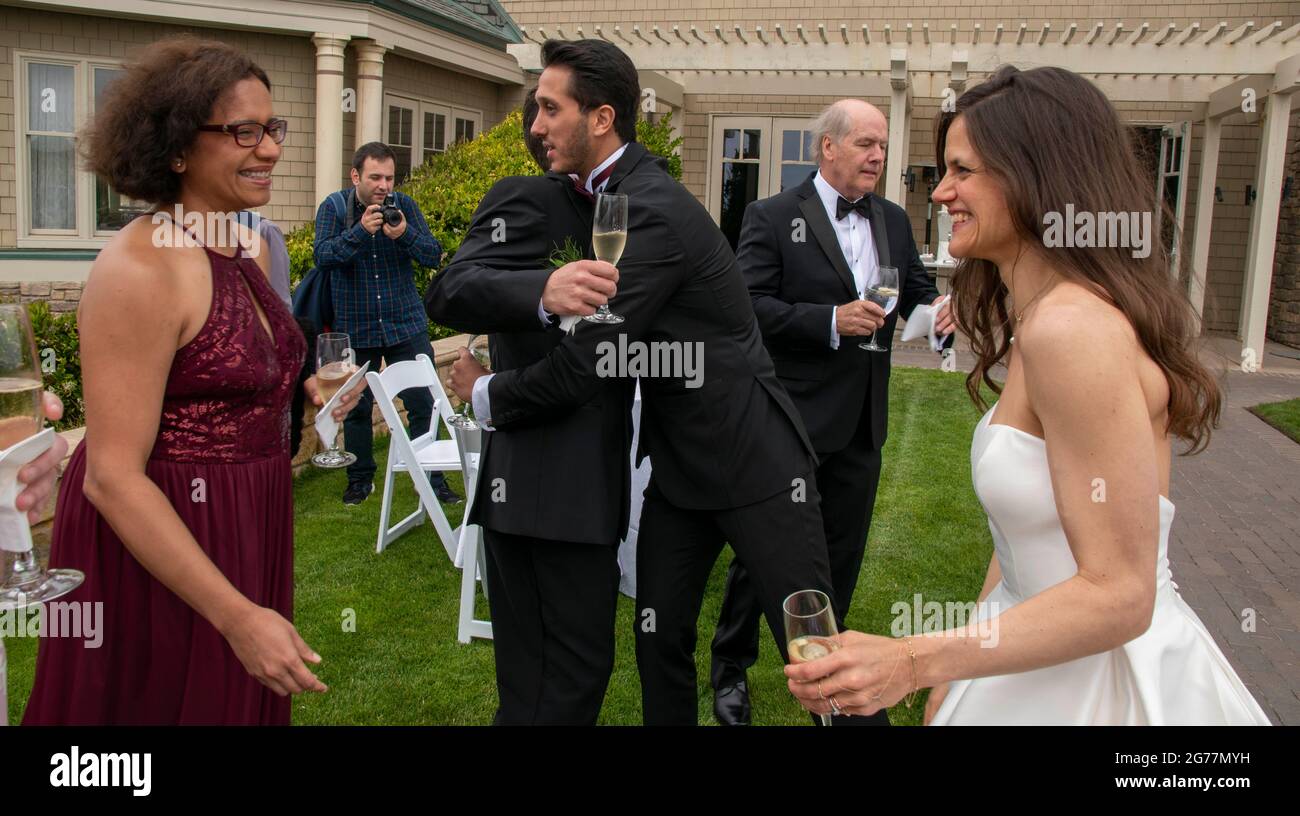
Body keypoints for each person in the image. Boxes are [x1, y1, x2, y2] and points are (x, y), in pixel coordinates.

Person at [784, 65, 1272, 726]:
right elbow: (1019, 544)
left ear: (1036, 176)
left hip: (1095, 685)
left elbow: (1121, 595)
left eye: (962, 171)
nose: (942, 193)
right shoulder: (1042, 318)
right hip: (1024, 654)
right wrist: (961, 673)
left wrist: (916, 659)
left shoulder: (1073, 330)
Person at [447, 39, 835, 726]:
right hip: (677, 473)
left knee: (817, 654)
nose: (534, 125)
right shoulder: (596, 200)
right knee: (658, 642)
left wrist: (484, 394)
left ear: (600, 118)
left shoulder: (647, 205)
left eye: (547, 108)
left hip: (756, 466)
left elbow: (588, 364)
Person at [22, 36, 360, 725]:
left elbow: (225, 373)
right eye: (243, 131)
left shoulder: (248, 244)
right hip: (162, 539)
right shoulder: (138, 267)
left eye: (272, 128)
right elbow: (111, 476)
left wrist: (295, 389)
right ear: (176, 146)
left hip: (247, 519)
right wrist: (235, 614)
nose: (269, 149)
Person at [709, 99, 954, 725]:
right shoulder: (771, 216)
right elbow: (748, 307)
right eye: (867, 144)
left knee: (841, 552)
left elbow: (919, 298)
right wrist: (828, 321)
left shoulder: (895, 220)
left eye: (882, 146)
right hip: (790, 420)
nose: (878, 156)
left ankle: (825, 666)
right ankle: (730, 664)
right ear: (829, 148)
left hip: (863, 422)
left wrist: (940, 319)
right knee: (763, 552)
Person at [424, 88, 631, 724]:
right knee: (547, 678)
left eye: (553, 109)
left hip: (594, 476)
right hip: (540, 485)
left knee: (582, 668)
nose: (543, 126)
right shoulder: (527, 196)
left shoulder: (618, 206)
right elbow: (450, 289)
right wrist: (541, 289)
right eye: (540, 114)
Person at [313, 143, 459, 507]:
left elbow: (432, 255)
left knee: (423, 402)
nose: (383, 185)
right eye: (375, 177)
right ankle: (360, 480)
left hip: (404, 324)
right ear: (356, 176)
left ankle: (432, 480)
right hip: (357, 324)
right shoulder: (333, 207)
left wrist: (404, 235)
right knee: (358, 407)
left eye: (389, 178)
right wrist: (361, 232)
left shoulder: (405, 206)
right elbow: (324, 257)